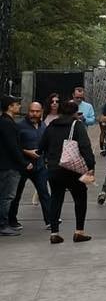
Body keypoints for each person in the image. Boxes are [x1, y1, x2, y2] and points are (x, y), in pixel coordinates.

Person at [40, 99, 95, 243]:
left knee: (56, 198)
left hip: (53, 168)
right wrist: (90, 165)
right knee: (80, 198)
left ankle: (54, 233)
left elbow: (41, 146)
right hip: (72, 169)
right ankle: (79, 231)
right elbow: (85, 147)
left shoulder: (51, 125)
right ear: (75, 112)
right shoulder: (77, 125)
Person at [16, 100, 51, 229]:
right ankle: (12, 220)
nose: (34, 114)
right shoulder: (19, 126)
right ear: (28, 111)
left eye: (37, 111)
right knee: (16, 194)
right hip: (23, 166)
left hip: (39, 166)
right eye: (32, 111)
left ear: (41, 112)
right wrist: (26, 152)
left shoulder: (43, 126)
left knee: (44, 193)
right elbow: (13, 146)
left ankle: (50, 220)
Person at [0, 94, 32, 236]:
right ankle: (2, 224)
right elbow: (13, 146)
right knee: (7, 196)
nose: (19, 106)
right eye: (16, 104)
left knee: (6, 195)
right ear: (10, 107)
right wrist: (23, 163)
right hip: (8, 166)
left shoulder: (6, 122)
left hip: (8, 164)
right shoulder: (7, 123)